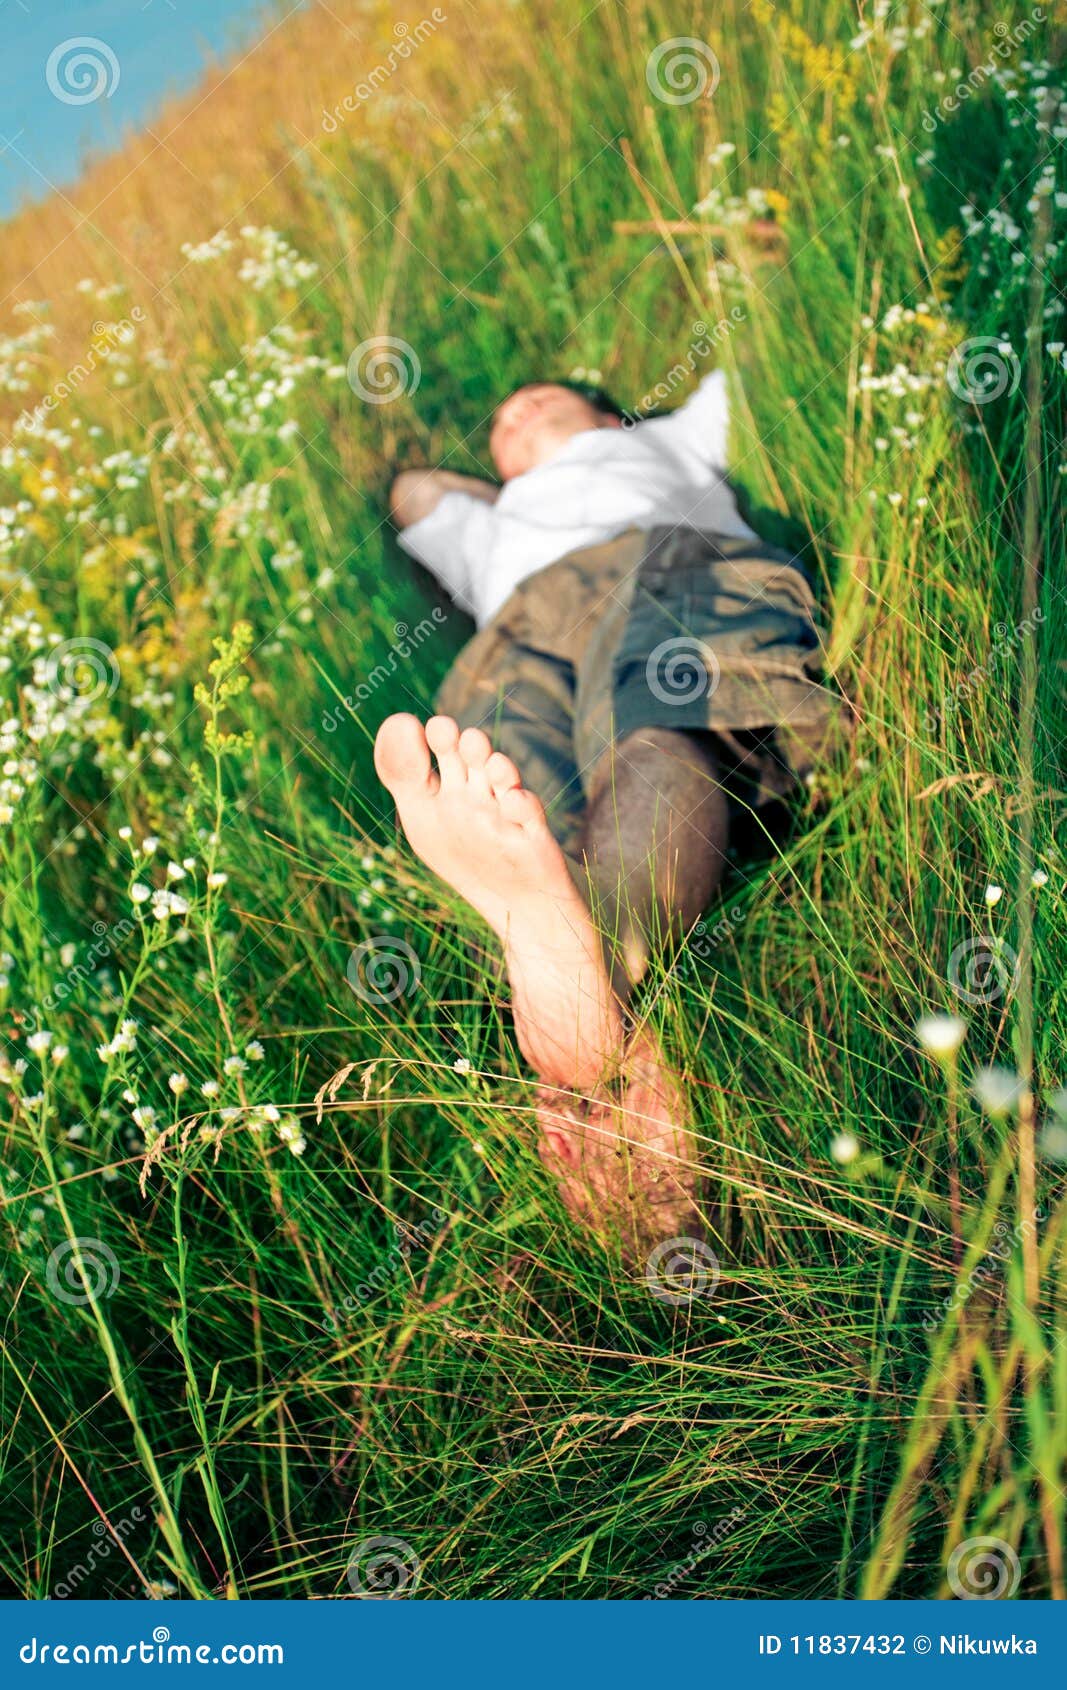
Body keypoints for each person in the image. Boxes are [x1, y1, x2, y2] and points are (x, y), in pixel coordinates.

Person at [373, 372, 837, 1255]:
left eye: (544, 396)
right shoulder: (490, 529)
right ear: (494, 473)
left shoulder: (670, 440)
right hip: (515, 628)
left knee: (652, 729)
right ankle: (585, 950)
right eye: (501, 418)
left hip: (661, 553)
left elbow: (744, 364)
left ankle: (581, 967)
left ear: (613, 412)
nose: (516, 410)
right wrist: (503, 482)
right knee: (520, 794)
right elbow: (414, 493)